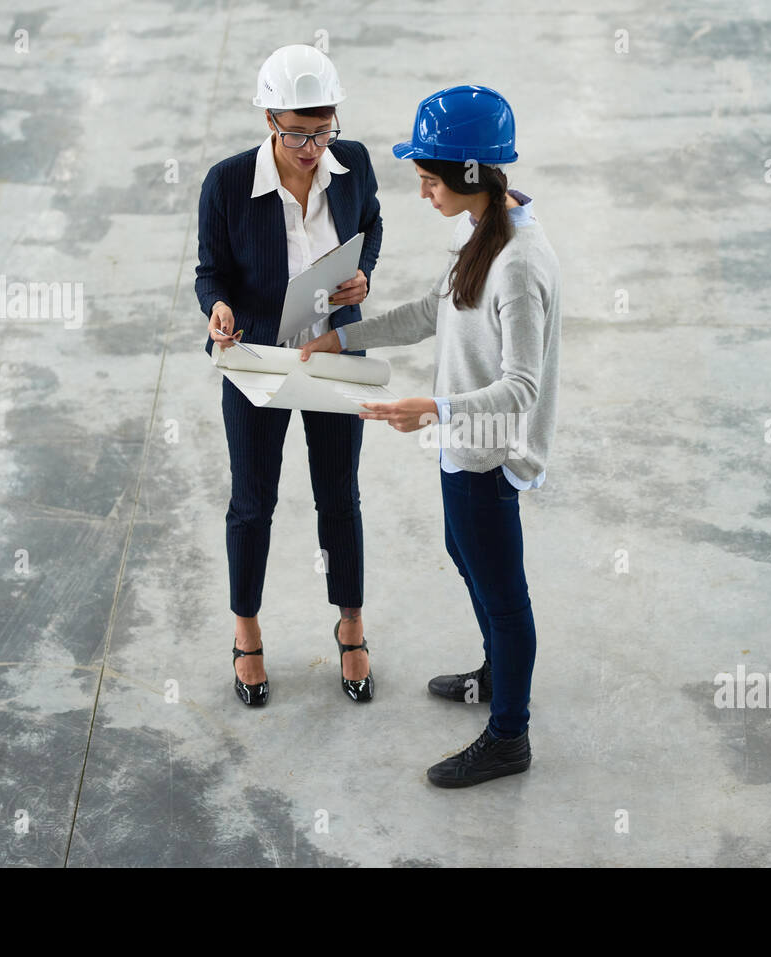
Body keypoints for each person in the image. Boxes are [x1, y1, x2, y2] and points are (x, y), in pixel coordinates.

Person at [299, 85, 561, 787]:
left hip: (486, 448)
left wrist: (434, 410)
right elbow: (430, 312)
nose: (421, 193)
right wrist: (344, 336)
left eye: (427, 179)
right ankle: (492, 673)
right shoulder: (479, 231)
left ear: (469, 173)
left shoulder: (519, 263)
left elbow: (522, 388)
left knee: (503, 592)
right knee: (464, 552)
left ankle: (510, 735)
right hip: (458, 442)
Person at [195, 44, 383, 707]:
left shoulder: (353, 163)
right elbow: (209, 271)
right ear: (270, 120)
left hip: (332, 350)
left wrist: (365, 274)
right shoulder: (225, 183)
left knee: (340, 494)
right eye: (299, 132)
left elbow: (371, 225)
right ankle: (246, 630)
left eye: (323, 129)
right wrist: (216, 307)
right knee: (253, 500)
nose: (312, 146)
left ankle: (352, 622)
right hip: (258, 361)